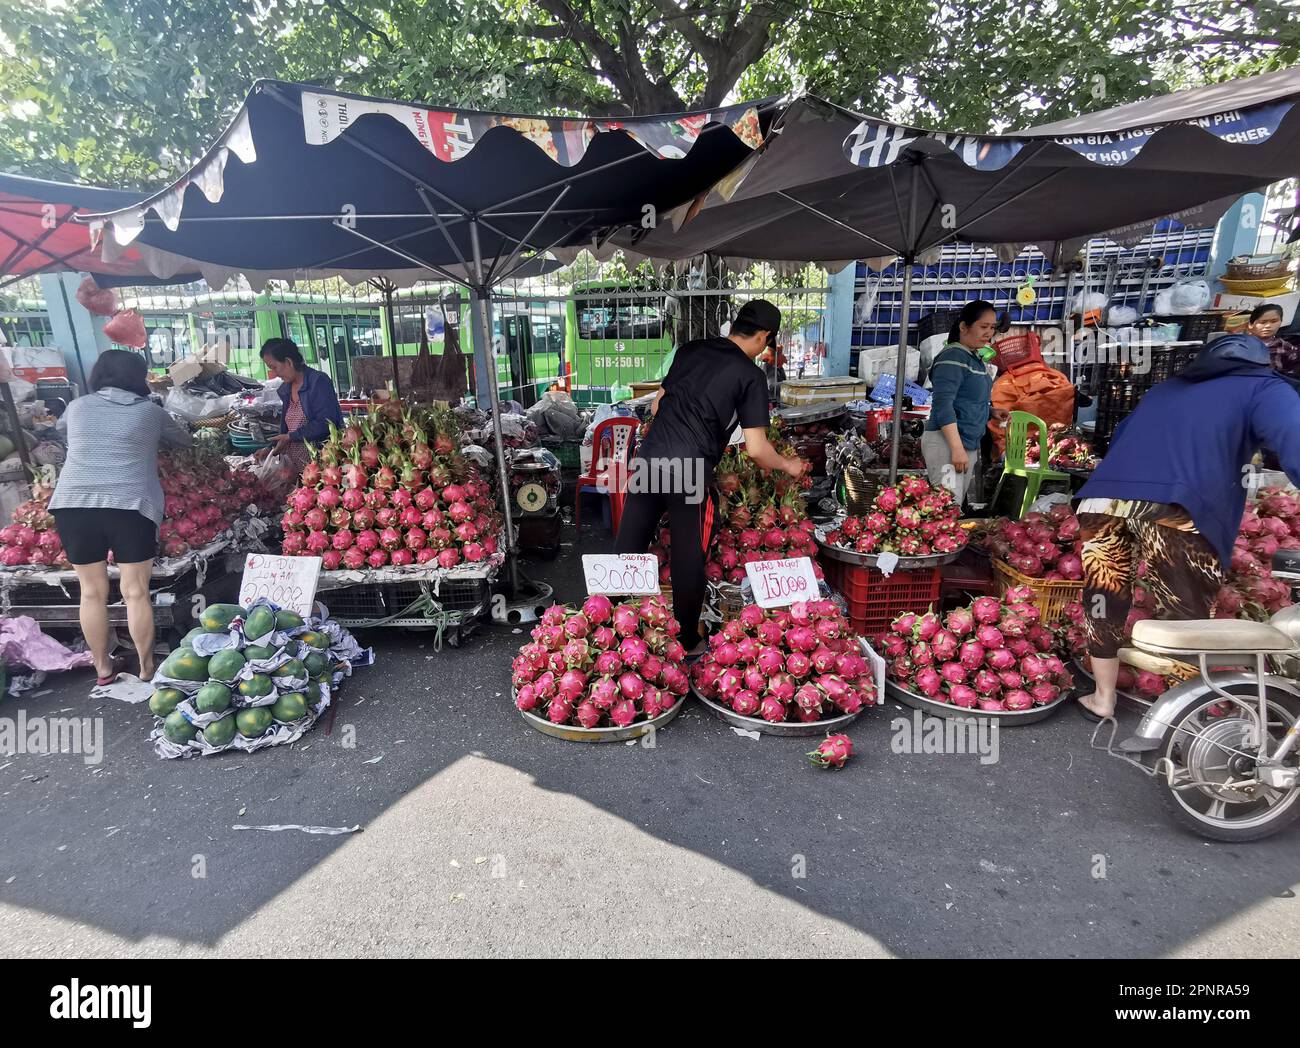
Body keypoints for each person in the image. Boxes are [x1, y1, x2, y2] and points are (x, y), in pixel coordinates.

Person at [1074, 333, 1300, 720]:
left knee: (1104, 596)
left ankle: (1103, 698)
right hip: (1177, 507)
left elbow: (1123, 438)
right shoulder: (1264, 387)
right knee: (1186, 616)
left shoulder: (1166, 389)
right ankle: (1189, 716)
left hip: (1104, 498)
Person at [615, 300, 807, 656]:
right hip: (689, 470)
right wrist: (788, 465)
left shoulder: (690, 350)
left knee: (628, 546)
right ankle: (688, 640)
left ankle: (608, 625)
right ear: (764, 336)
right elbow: (757, 449)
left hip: (648, 459)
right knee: (688, 554)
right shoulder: (750, 375)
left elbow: (657, 405)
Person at [49, 350, 191, 683]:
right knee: (135, 591)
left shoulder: (78, 406)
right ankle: (145, 667)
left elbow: (61, 429)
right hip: (130, 505)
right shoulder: (150, 412)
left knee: (91, 592)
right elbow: (184, 440)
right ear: (138, 378)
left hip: (73, 504)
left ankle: (103, 667)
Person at [922, 300, 1004, 505]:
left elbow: (965, 398)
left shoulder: (972, 357)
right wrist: (956, 449)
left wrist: (990, 411)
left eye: (992, 327)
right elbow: (943, 406)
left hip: (965, 443)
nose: (989, 333)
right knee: (947, 508)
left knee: (953, 507)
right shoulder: (952, 357)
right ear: (963, 326)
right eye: (983, 326)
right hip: (947, 444)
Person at [257, 338, 344, 474]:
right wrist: (270, 447)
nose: (274, 374)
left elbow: (326, 423)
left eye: (274, 367)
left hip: (322, 465)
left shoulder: (318, 382)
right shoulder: (286, 389)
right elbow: (287, 429)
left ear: (289, 362)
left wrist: (291, 437)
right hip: (295, 466)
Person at [1245, 302, 1300, 378]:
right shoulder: (1240, 345)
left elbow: (1294, 369)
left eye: (1274, 321)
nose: (1268, 326)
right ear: (1250, 325)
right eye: (1262, 322)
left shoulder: (1285, 347)